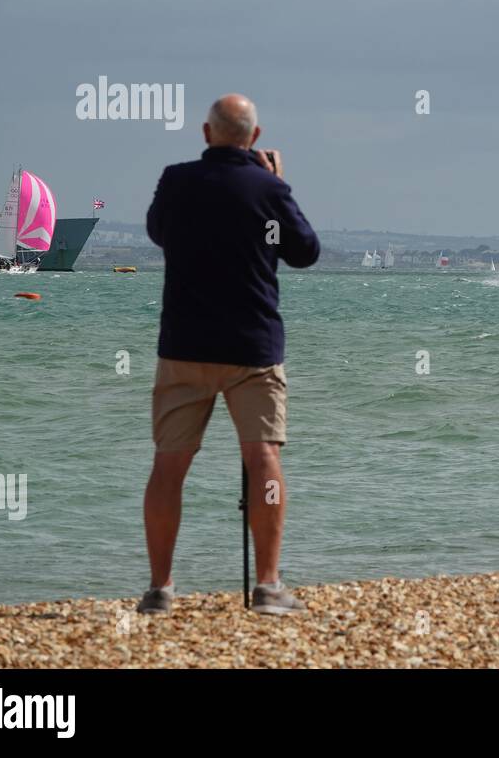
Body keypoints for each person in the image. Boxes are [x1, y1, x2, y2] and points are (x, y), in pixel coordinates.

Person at [139, 93, 320, 615]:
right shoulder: (267, 188)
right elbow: (304, 252)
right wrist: (277, 185)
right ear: (255, 139)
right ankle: (267, 585)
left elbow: (156, 232)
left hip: (184, 344)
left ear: (205, 133)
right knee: (262, 458)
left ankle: (160, 589)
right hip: (252, 348)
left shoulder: (176, 180)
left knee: (169, 465)